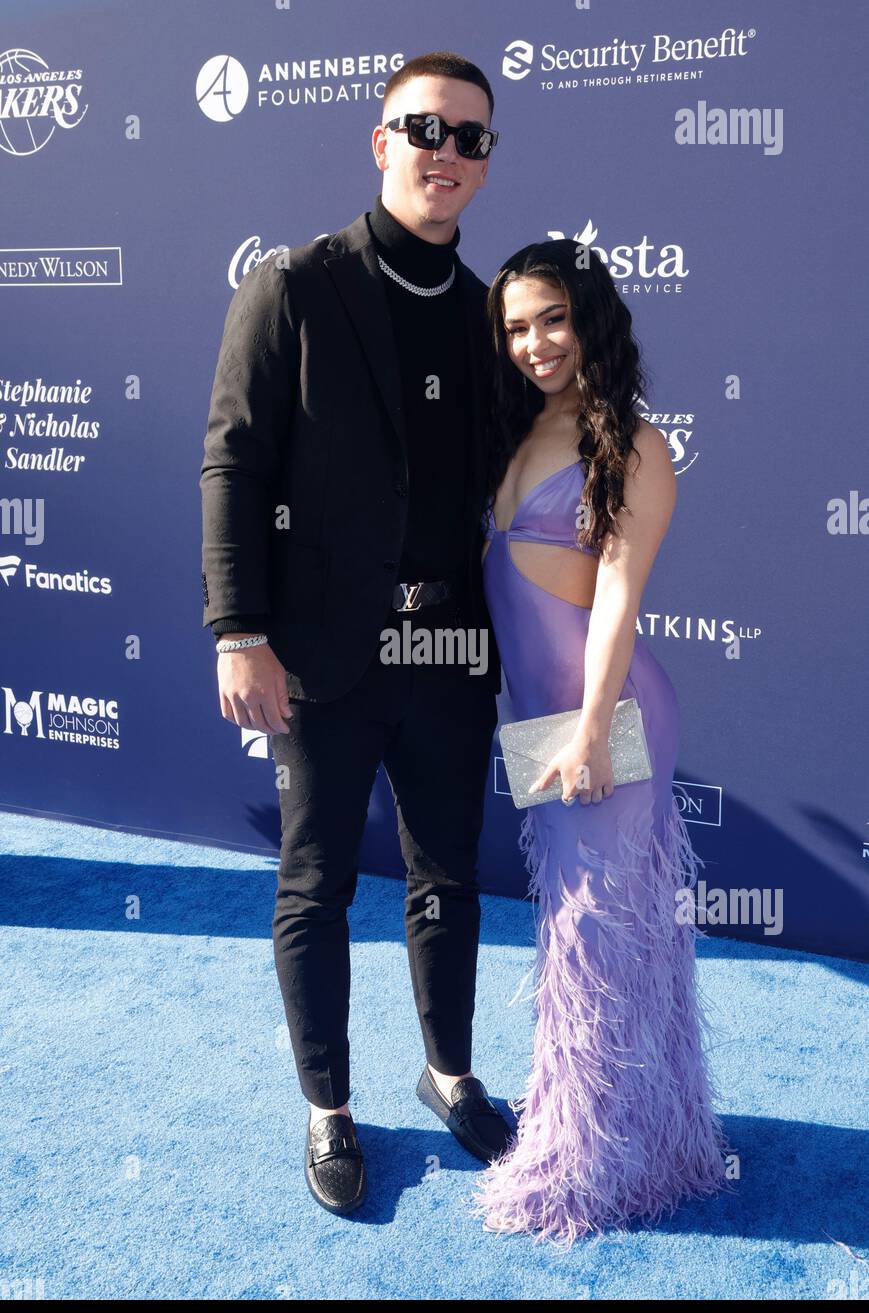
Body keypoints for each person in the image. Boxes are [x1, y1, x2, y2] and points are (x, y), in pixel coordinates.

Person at [199, 52, 515, 1217]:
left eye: (469, 138)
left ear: (485, 167)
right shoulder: (292, 286)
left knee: (445, 878)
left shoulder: (489, 317)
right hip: (325, 650)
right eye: (423, 127)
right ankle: (328, 1109)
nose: (445, 151)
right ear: (377, 139)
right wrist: (238, 627)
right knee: (316, 883)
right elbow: (233, 459)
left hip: (445, 655)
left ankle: (447, 1076)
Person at [468, 237, 730, 1246]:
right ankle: (652, 1142)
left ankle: (579, 1165)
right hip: (537, 718)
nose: (534, 343)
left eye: (551, 319)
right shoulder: (517, 429)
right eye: (516, 326)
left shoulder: (631, 444)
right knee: (595, 932)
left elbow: (617, 602)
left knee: (589, 937)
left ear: (590, 320)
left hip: (603, 716)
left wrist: (586, 735)